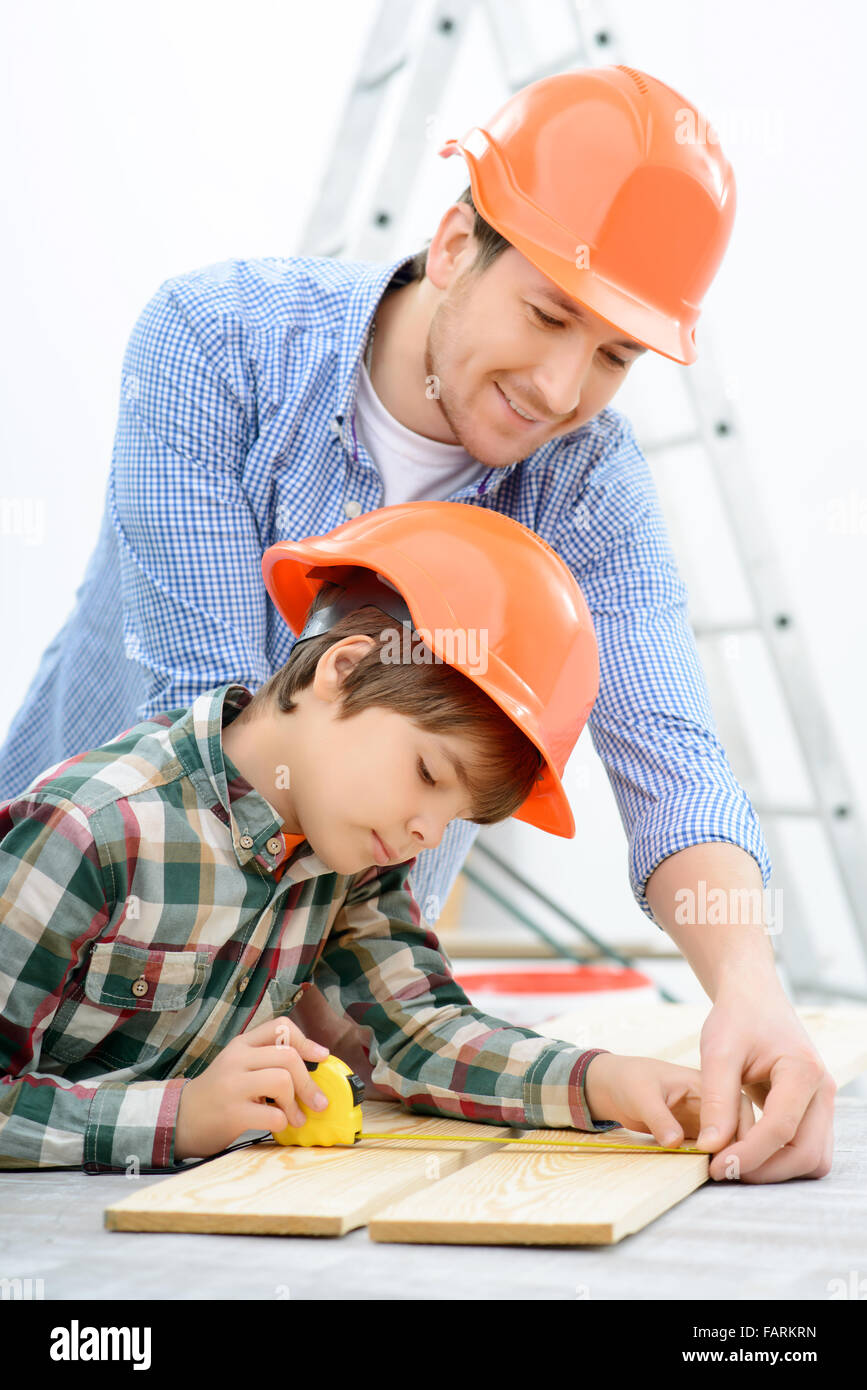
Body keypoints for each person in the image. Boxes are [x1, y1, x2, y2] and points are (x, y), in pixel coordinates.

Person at [0, 67, 834, 1182]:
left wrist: (749, 995)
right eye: (547, 314)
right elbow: (200, 726)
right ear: (453, 246)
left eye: (616, 357)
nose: (557, 387)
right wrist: (214, 1079)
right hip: (83, 939)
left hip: (320, 975)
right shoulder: (219, 340)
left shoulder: (592, 484)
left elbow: (670, 757)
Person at [0, 501, 756, 1171]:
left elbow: (417, 1035)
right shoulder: (89, 830)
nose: (427, 832)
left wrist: (605, 1083)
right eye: (429, 773)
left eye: (455, 816)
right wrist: (180, 1119)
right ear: (344, 668)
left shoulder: (346, 860)